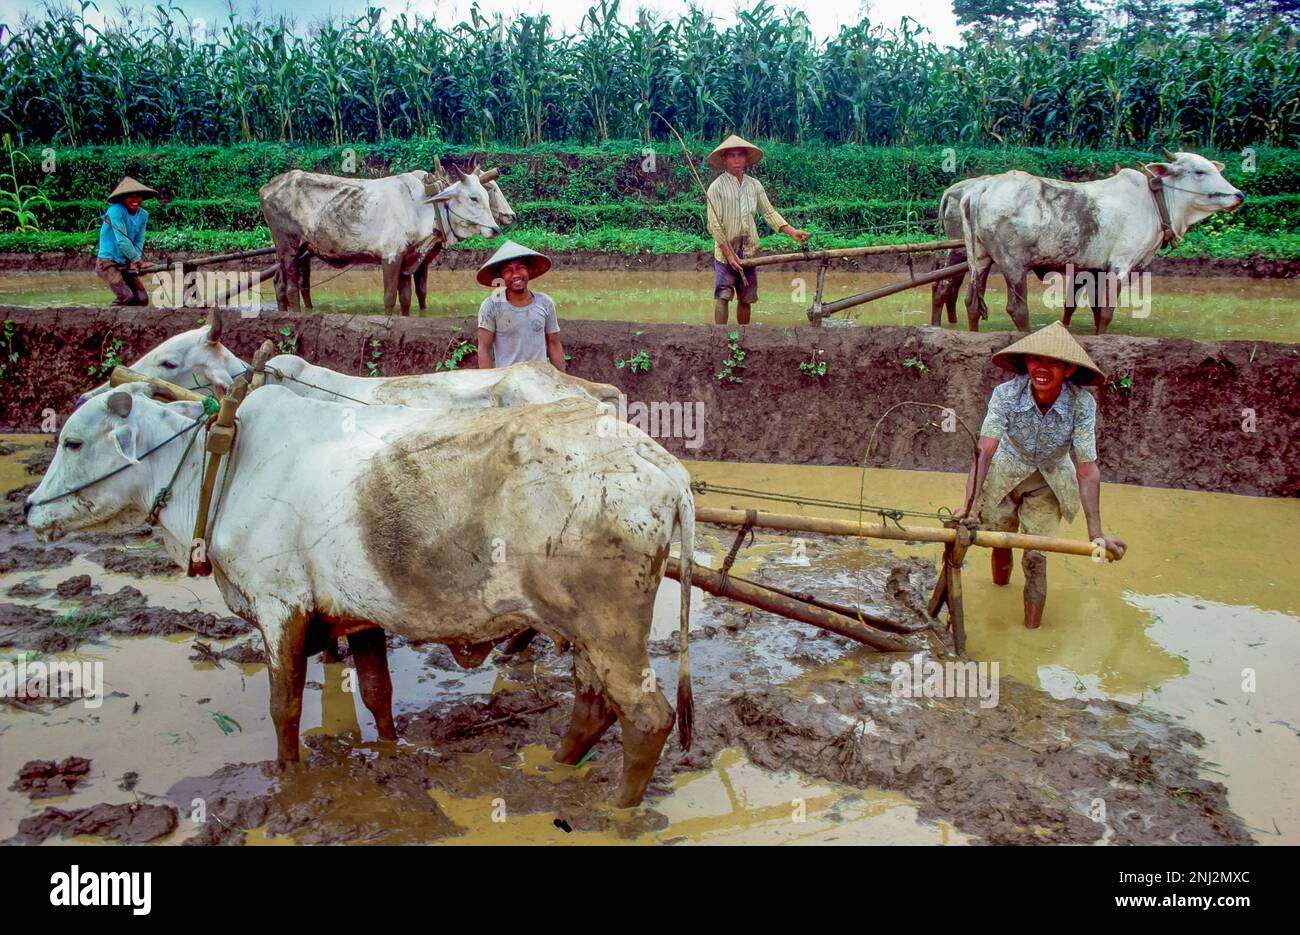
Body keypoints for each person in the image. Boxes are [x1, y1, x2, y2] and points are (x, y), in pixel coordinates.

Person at [955, 321, 1127, 629]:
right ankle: (999, 593)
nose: (1042, 369)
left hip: (1049, 479)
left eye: (1052, 363)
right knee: (1000, 541)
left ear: (1068, 370)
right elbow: (985, 450)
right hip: (1006, 471)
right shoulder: (1006, 394)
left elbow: (1087, 468)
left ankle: (1031, 633)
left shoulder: (1081, 404)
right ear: (1026, 363)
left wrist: (1096, 533)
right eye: (1036, 361)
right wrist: (968, 505)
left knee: (1036, 557)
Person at [705, 134, 809, 325]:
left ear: (746, 158)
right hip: (725, 251)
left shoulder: (754, 185)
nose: (737, 159)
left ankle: (743, 336)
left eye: (740, 155)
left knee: (746, 297)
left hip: (749, 251)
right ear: (725, 159)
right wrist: (728, 254)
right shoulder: (716, 188)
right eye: (732, 155)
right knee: (723, 294)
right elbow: (714, 225)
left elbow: (769, 213)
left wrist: (792, 231)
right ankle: (719, 338)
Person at [475, 240, 566, 371]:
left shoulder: (545, 303)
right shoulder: (491, 306)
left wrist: (562, 379)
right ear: (500, 276)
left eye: (520, 268)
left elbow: (554, 344)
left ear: (528, 270)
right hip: (508, 382)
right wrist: (488, 382)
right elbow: (484, 348)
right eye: (508, 270)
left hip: (539, 378)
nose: (516, 275)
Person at [96, 176, 157, 306]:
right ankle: (108, 317)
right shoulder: (115, 210)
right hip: (107, 262)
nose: (135, 200)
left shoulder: (143, 214)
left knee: (142, 299)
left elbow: (139, 239)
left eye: (137, 196)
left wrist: (133, 261)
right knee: (126, 297)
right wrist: (138, 262)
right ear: (123, 198)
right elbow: (122, 240)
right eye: (130, 197)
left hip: (126, 262)